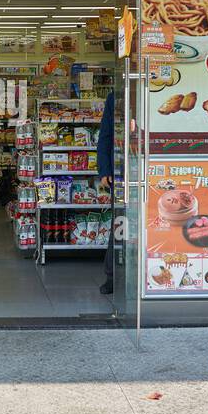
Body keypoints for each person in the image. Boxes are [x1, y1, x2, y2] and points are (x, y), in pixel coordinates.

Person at [98, 90, 115, 295]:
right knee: (120, 222)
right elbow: (105, 135)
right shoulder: (115, 96)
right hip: (121, 171)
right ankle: (112, 275)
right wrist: (104, 170)